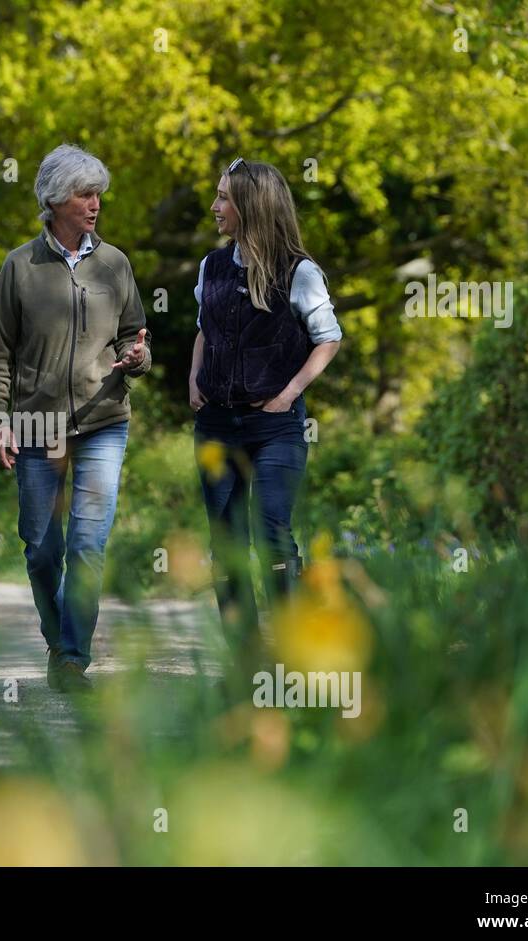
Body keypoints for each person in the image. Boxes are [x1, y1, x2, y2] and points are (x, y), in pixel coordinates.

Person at [0, 144, 152, 693]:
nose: (94, 203)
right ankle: (58, 643)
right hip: (35, 425)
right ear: (54, 200)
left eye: (97, 193)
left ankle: (74, 658)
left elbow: (135, 336)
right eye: (84, 193)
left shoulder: (115, 263)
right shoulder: (20, 267)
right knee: (41, 547)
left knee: (86, 542)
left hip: (104, 420)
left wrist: (138, 358)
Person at [188, 158, 342, 646]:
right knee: (227, 544)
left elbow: (328, 339)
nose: (215, 207)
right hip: (216, 425)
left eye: (224, 198)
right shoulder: (212, 266)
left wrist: (289, 394)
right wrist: (195, 377)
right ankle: (245, 658)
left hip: (275, 428)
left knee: (273, 531)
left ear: (251, 206)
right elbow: (202, 330)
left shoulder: (300, 272)